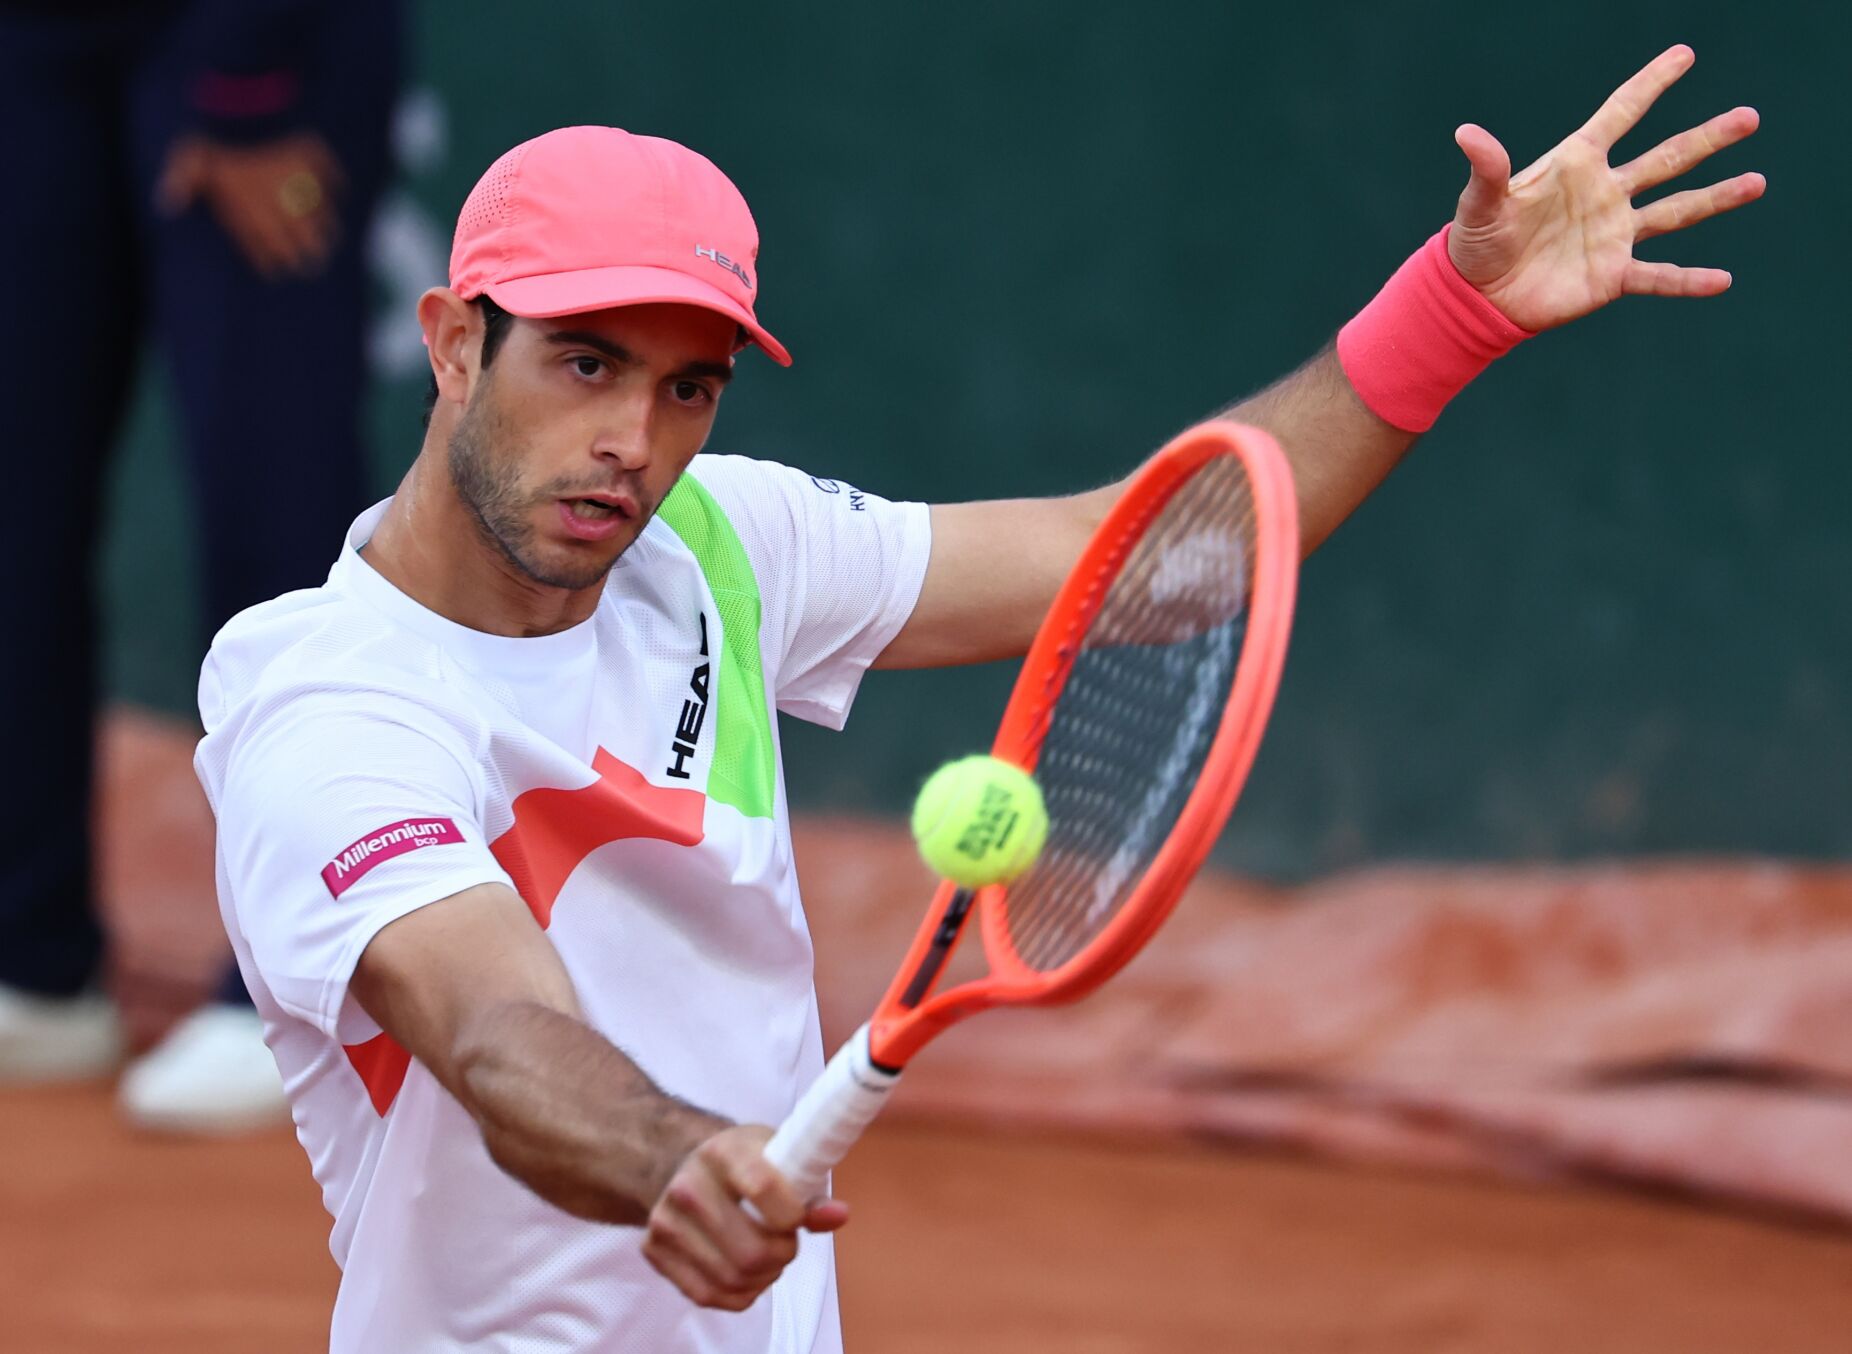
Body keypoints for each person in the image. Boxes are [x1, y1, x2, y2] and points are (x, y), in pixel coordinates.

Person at [193, 46, 1761, 1351]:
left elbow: (1134, 557)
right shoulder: (328, 704)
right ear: (454, 343)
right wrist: (677, 1156)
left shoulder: (718, 544)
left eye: (688, 387)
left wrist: (1456, 309)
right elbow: (493, 1024)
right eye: (584, 364)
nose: (634, 442)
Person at [0, 0, 401, 1131]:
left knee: (273, 508)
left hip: (250, 43)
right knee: (16, 499)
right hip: (29, 45)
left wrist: (246, 87)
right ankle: (33, 960)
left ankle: (298, 988)